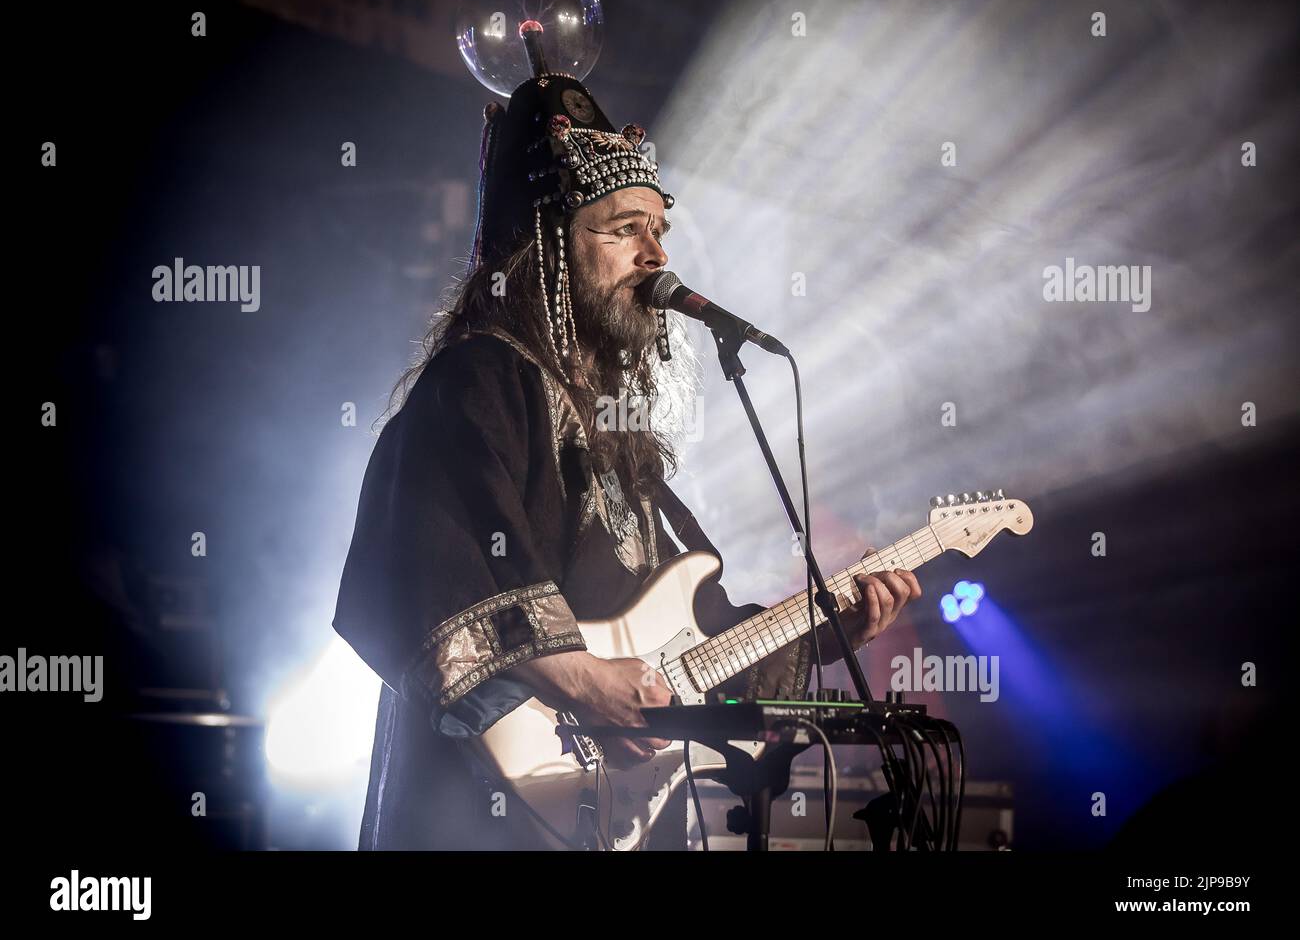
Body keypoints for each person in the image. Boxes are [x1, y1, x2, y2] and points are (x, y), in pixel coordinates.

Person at [330, 73, 920, 850]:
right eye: (623, 229)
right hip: (480, 815)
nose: (656, 254)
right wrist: (579, 678)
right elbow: (424, 567)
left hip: (609, 817)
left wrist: (830, 625)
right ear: (545, 248)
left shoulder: (617, 434)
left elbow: (698, 649)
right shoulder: (478, 379)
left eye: (659, 228)